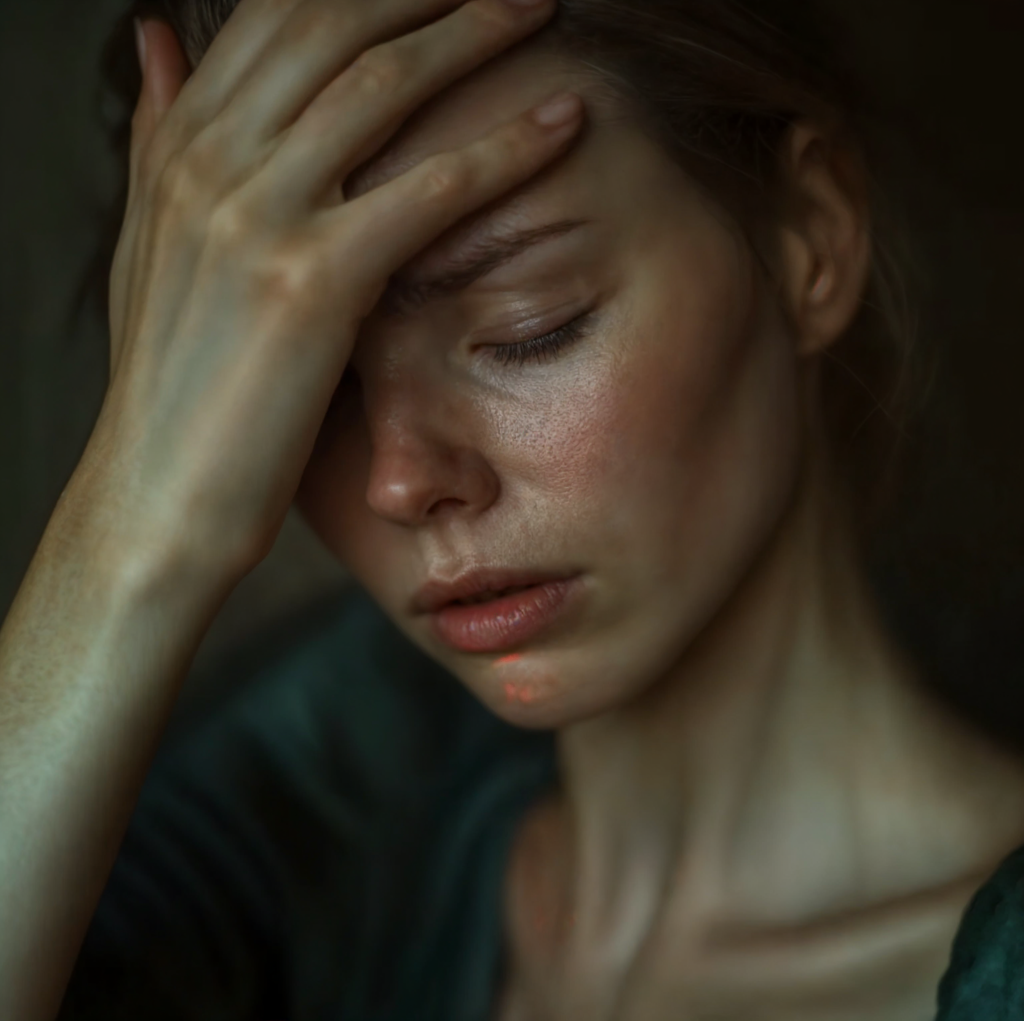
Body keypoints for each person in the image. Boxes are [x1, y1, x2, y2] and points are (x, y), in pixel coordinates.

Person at [1, 0, 1021, 1018]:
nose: (401, 481)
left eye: (528, 327)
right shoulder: (269, 858)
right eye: (308, 388)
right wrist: (131, 530)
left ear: (811, 237)